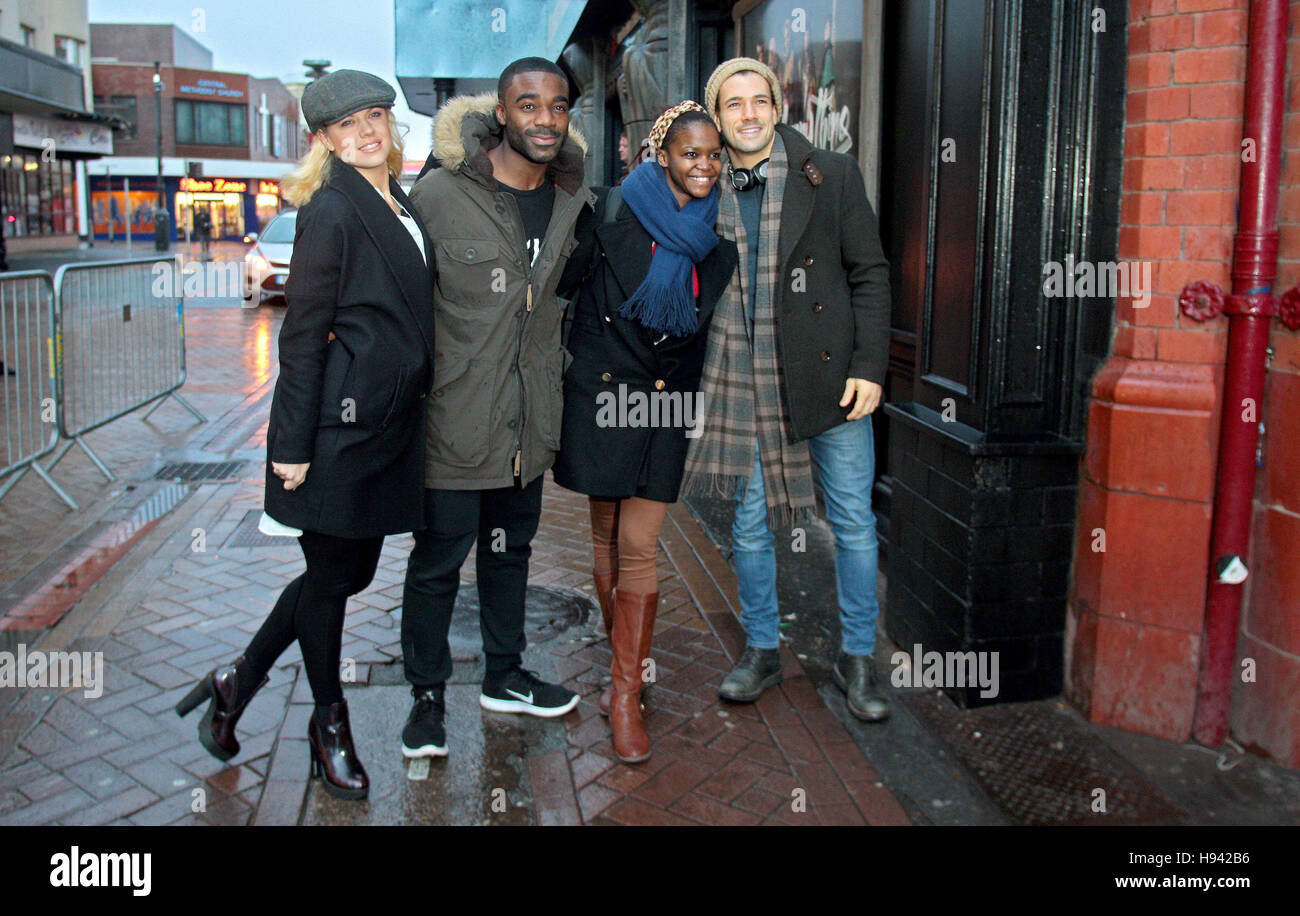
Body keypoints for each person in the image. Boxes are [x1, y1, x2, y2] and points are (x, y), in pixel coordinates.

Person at [175, 70, 435, 800]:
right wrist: (289, 445)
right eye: (347, 124)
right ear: (322, 140)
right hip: (337, 435)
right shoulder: (330, 210)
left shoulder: (399, 200)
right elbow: (303, 336)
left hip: (387, 431)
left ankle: (235, 685)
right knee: (330, 582)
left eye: (376, 116)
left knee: (344, 576)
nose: (367, 132)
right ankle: (329, 728)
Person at [685, 58, 892, 721]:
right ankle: (763, 648)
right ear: (716, 119)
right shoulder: (699, 183)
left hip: (830, 380)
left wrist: (869, 366)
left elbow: (870, 273)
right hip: (740, 383)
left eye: (759, 100)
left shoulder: (828, 174)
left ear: (778, 107)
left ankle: (857, 655)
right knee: (749, 526)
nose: (748, 114)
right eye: (732, 104)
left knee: (854, 523)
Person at [399, 58, 593, 759]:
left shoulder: (575, 200)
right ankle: (426, 696)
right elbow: (398, 308)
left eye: (558, 106)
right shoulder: (439, 196)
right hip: (454, 420)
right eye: (528, 105)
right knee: (438, 564)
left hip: (529, 423)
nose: (545, 119)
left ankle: (504, 675)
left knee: (509, 556)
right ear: (501, 114)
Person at [553, 102, 737, 763]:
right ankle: (620, 667)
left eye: (714, 153)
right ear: (664, 156)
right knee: (606, 533)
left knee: (639, 540)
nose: (704, 165)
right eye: (691, 153)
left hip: (666, 404)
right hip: (604, 398)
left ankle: (626, 693)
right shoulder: (609, 211)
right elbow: (558, 285)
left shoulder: (721, 232)